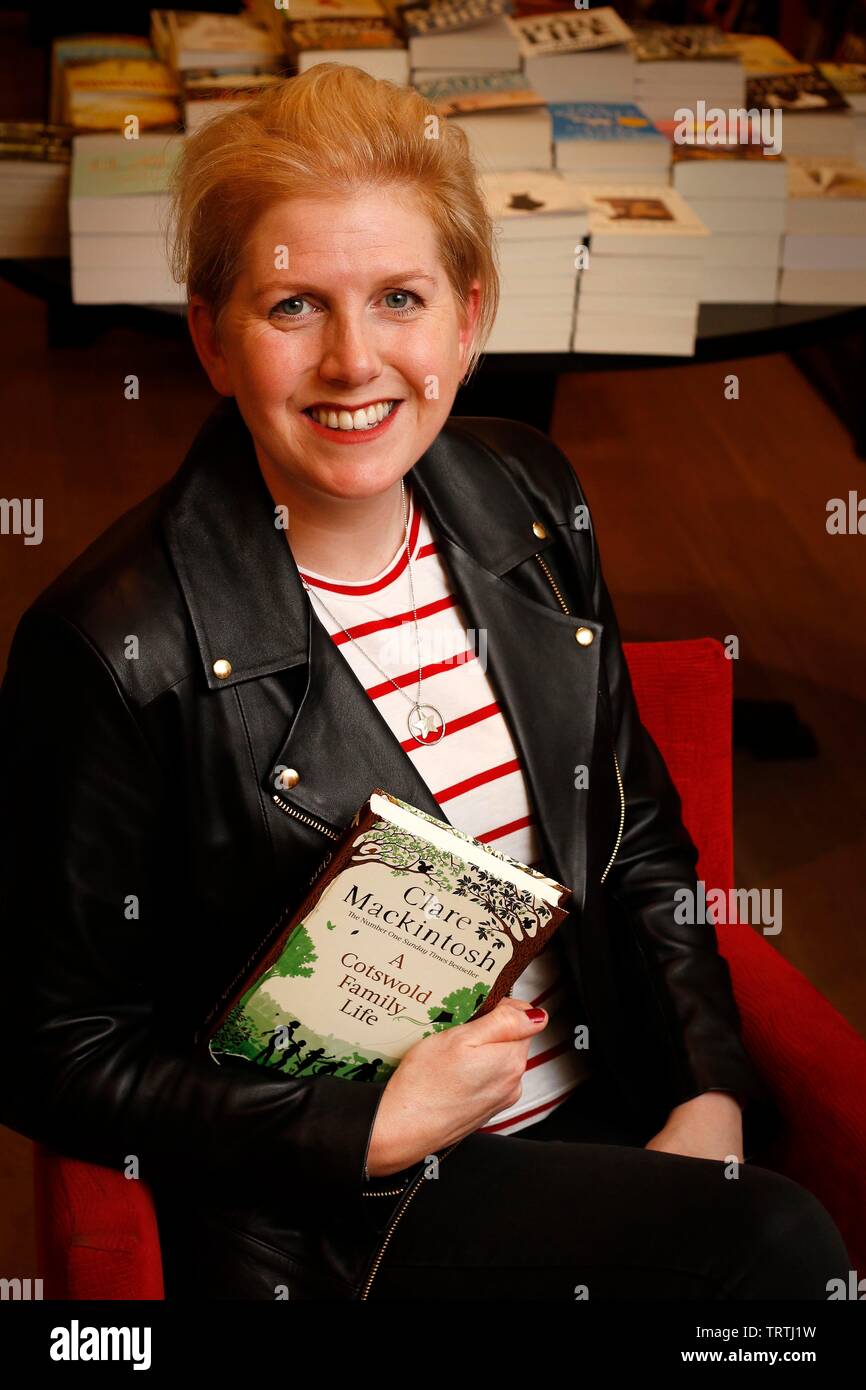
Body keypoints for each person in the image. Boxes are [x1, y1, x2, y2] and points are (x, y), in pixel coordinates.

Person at [0, 64, 851, 1302]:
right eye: (294, 304)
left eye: (398, 297)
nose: (354, 361)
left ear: (467, 315)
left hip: (613, 1136)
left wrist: (706, 1094)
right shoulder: (113, 640)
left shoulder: (529, 498)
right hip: (361, 1216)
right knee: (776, 1254)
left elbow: (640, 839)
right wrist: (365, 1127)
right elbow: (46, 1050)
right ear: (209, 335)